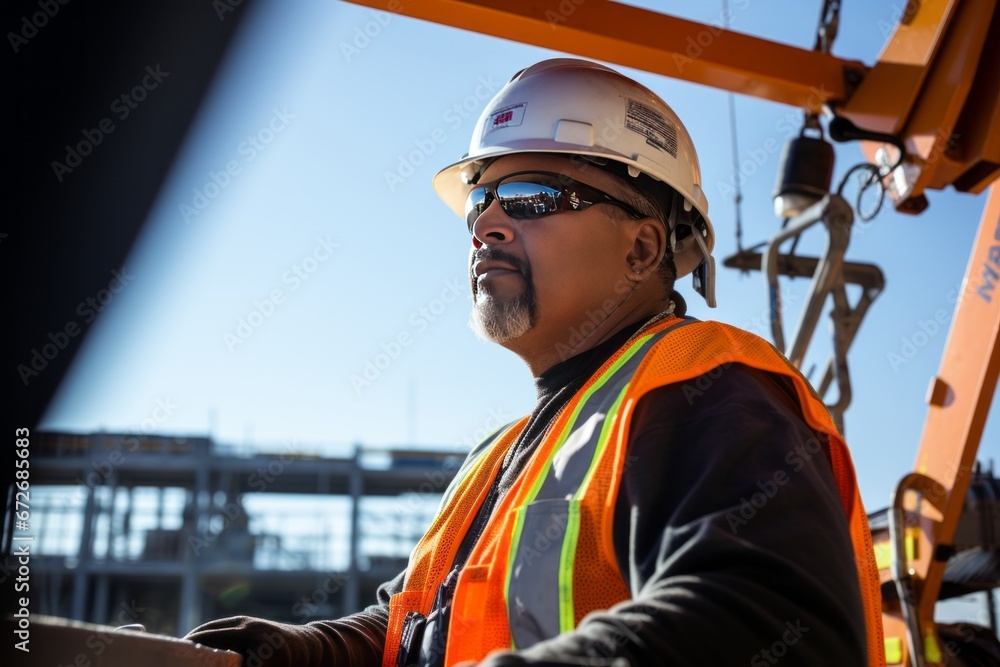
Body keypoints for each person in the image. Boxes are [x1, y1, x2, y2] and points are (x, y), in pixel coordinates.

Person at [185, 59, 884, 666]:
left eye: (527, 198)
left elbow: (776, 630)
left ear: (643, 250)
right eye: (481, 202)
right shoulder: (500, 456)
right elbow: (420, 628)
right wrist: (306, 650)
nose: (485, 223)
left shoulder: (708, 385)